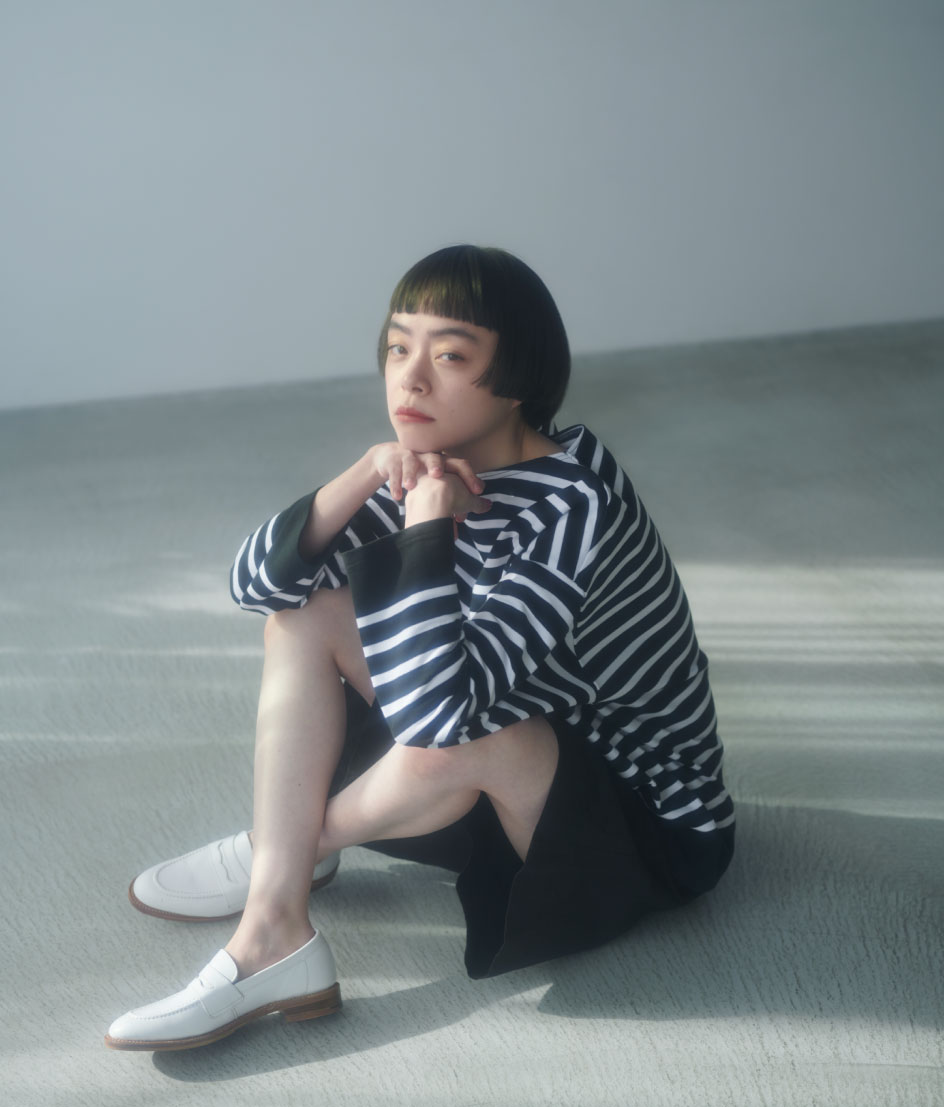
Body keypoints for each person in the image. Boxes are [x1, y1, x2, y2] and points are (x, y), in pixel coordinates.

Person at [105, 245, 734, 1052]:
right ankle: (282, 919)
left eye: (450, 357)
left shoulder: (576, 505)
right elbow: (254, 588)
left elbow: (440, 720)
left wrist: (428, 527)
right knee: (306, 617)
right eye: (399, 348)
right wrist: (365, 475)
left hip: (642, 825)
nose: (411, 379)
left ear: (518, 377)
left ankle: (277, 871)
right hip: (500, 766)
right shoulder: (430, 464)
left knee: (464, 737)